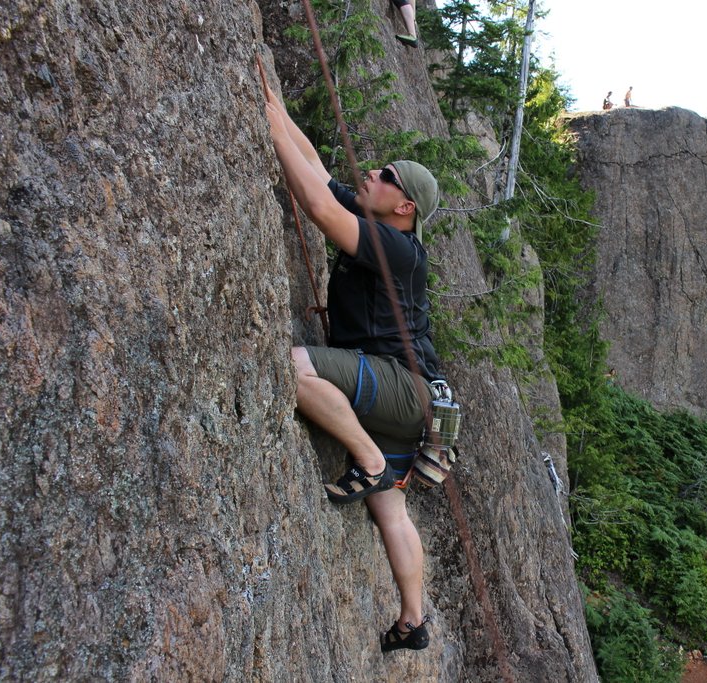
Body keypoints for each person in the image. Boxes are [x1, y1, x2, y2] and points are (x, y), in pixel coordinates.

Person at [262, 83, 443, 653]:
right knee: (391, 505)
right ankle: (413, 619)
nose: (374, 176)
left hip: (399, 384)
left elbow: (317, 207)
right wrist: (276, 106)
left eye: (387, 176)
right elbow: (314, 165)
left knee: (291, 368)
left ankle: (365, 457)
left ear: (404, 205)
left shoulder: (399, 247)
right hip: (411, 401)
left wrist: (262, 118)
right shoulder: (379, 222)